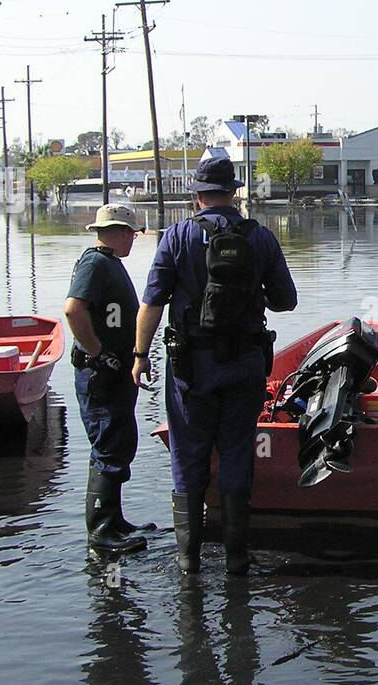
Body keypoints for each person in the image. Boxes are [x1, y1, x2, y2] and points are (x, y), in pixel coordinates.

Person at [132, 156, 297, 576]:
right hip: (244, 365)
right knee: (238, 452)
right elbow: (286, 301)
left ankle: (188, 562)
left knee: (189, 456)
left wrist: (139, 355)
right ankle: (237, 560)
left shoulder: (177, 236)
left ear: (197, 196)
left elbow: (152, 302)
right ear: (234, 192)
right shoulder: (260, 237)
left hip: (192, 368)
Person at [65, 202, 154, 555]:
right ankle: (102, 532)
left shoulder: (106, 263)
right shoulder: (95, 264)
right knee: (107, 446)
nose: (133, 241)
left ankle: (115, 521)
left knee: (116, 442)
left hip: (114, 372)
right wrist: (97, 352)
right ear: (119, 233)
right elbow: (74, 309)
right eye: (131, 235)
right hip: (101, 375)